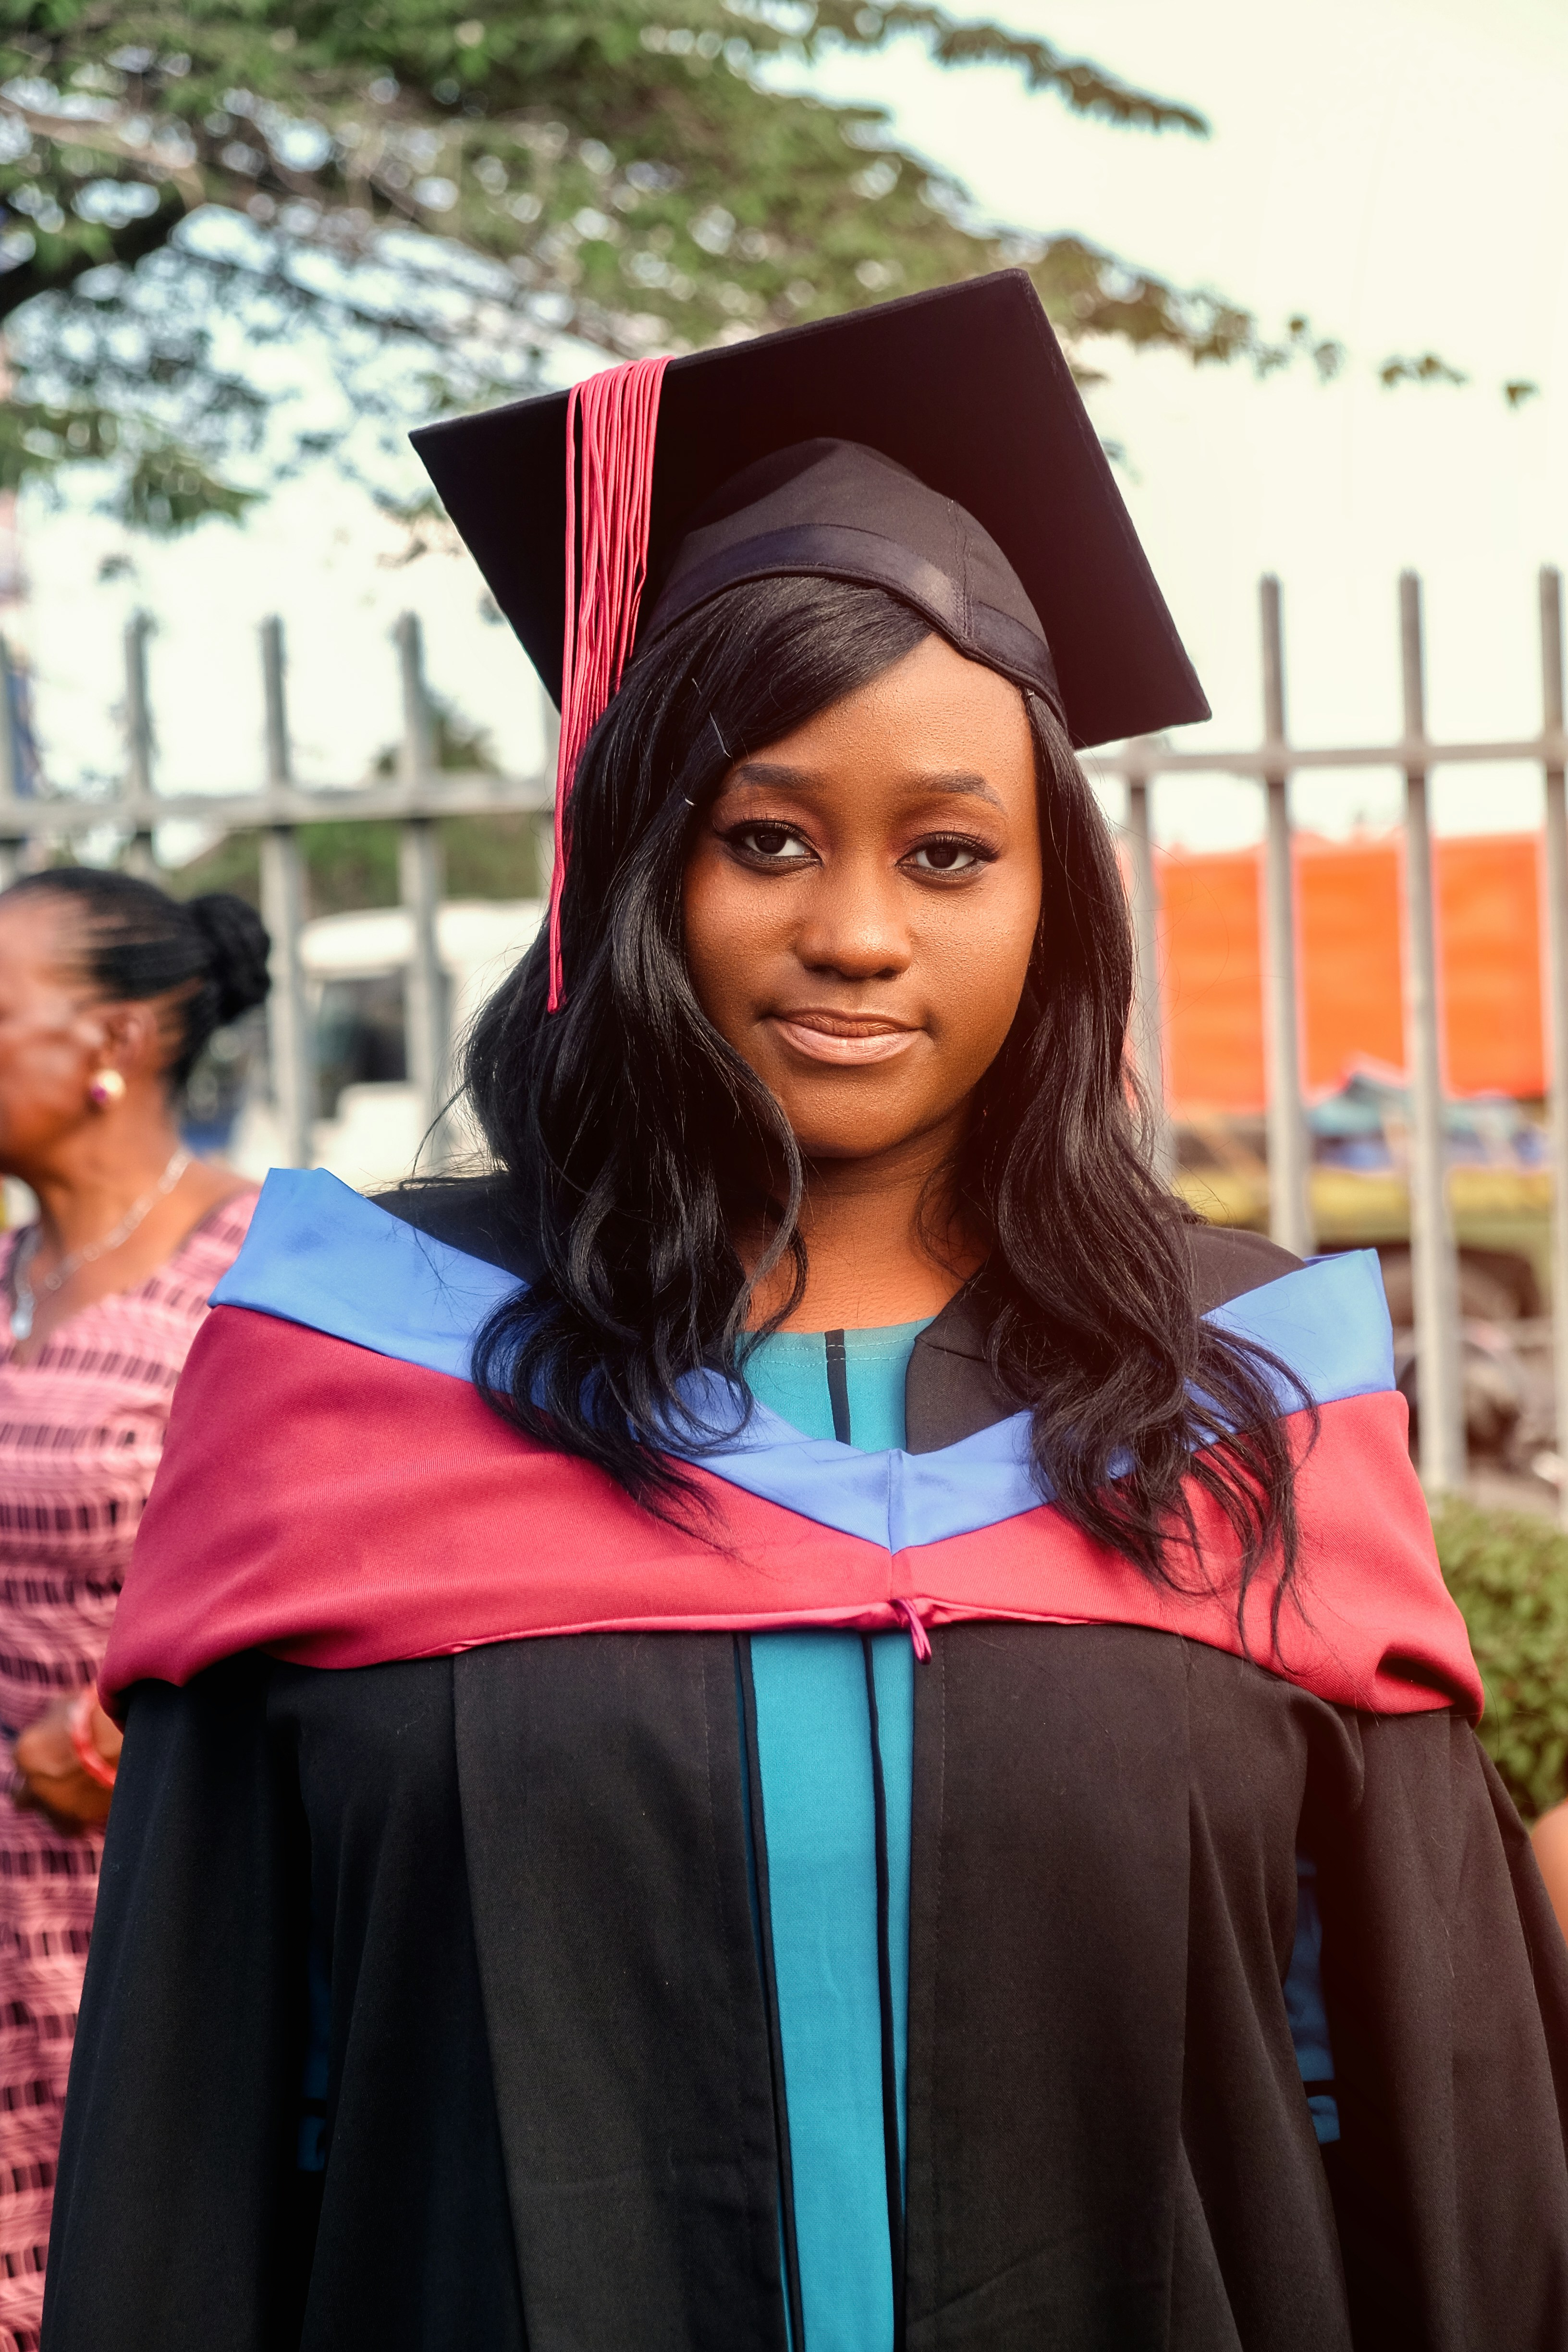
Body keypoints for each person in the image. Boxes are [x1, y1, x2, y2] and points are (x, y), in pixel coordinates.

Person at [43, 275, 1568, 2352]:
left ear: (1052, 903)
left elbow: (1444, 2119)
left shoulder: (1250, 1389)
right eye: (765, 838)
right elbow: (193, 2130)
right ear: (632, 866)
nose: (855, 931)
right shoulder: (356, 1369)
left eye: (948, 853)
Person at [0, 867, 268, 2352]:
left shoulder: (265, 1276)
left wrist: (141, 1726)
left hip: (135, 1923)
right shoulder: (14, 1275)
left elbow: (336, 1590)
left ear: (118, 1041)